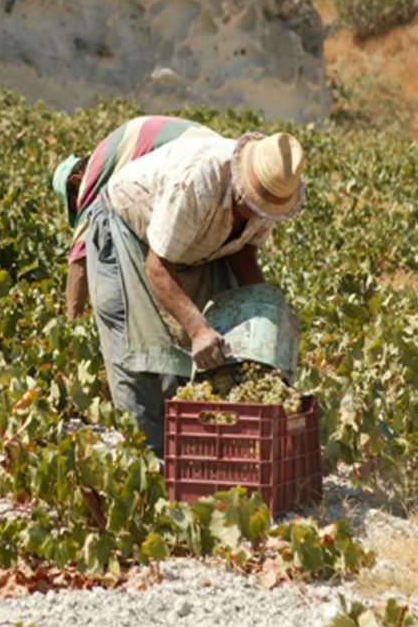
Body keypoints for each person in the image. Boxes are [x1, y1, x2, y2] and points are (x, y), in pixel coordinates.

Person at [83, 130, 305, 454]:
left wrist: (268, 315)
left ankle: (185, 455)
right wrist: (198, 328)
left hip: (188, 247)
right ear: (241, 188)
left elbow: (243, 253)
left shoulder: (272, 194)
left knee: (196, 358)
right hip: (127, 229)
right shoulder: (195, 184)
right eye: (257, 204)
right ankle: (144, 459)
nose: (262, 213)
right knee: (139, 354)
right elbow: (158, 266)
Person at [52, 116, 220, 321]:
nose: (80, 208)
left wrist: (71, 324)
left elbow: (79, 259)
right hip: (222, 157)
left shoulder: (93, 176)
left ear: (77, 181)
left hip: (195, 163)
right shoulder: (115, 158)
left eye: (74, 205)